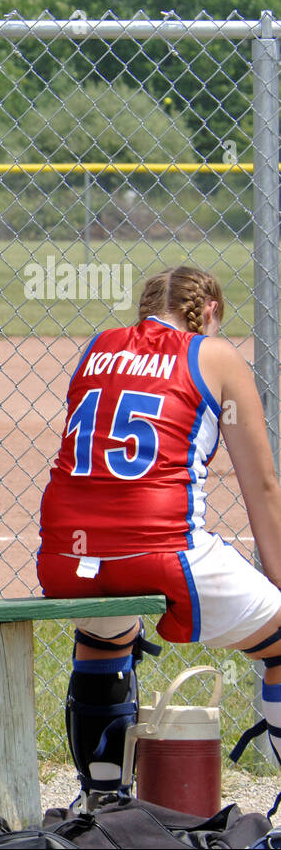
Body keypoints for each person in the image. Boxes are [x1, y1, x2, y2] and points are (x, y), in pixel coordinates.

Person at [38, 267, 281, 809]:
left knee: (104, 636)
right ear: (210, 312)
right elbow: (261, 484)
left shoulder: (99, 348)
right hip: (161, 551)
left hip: (64, 556)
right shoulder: (213, 355)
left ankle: (101, 802)